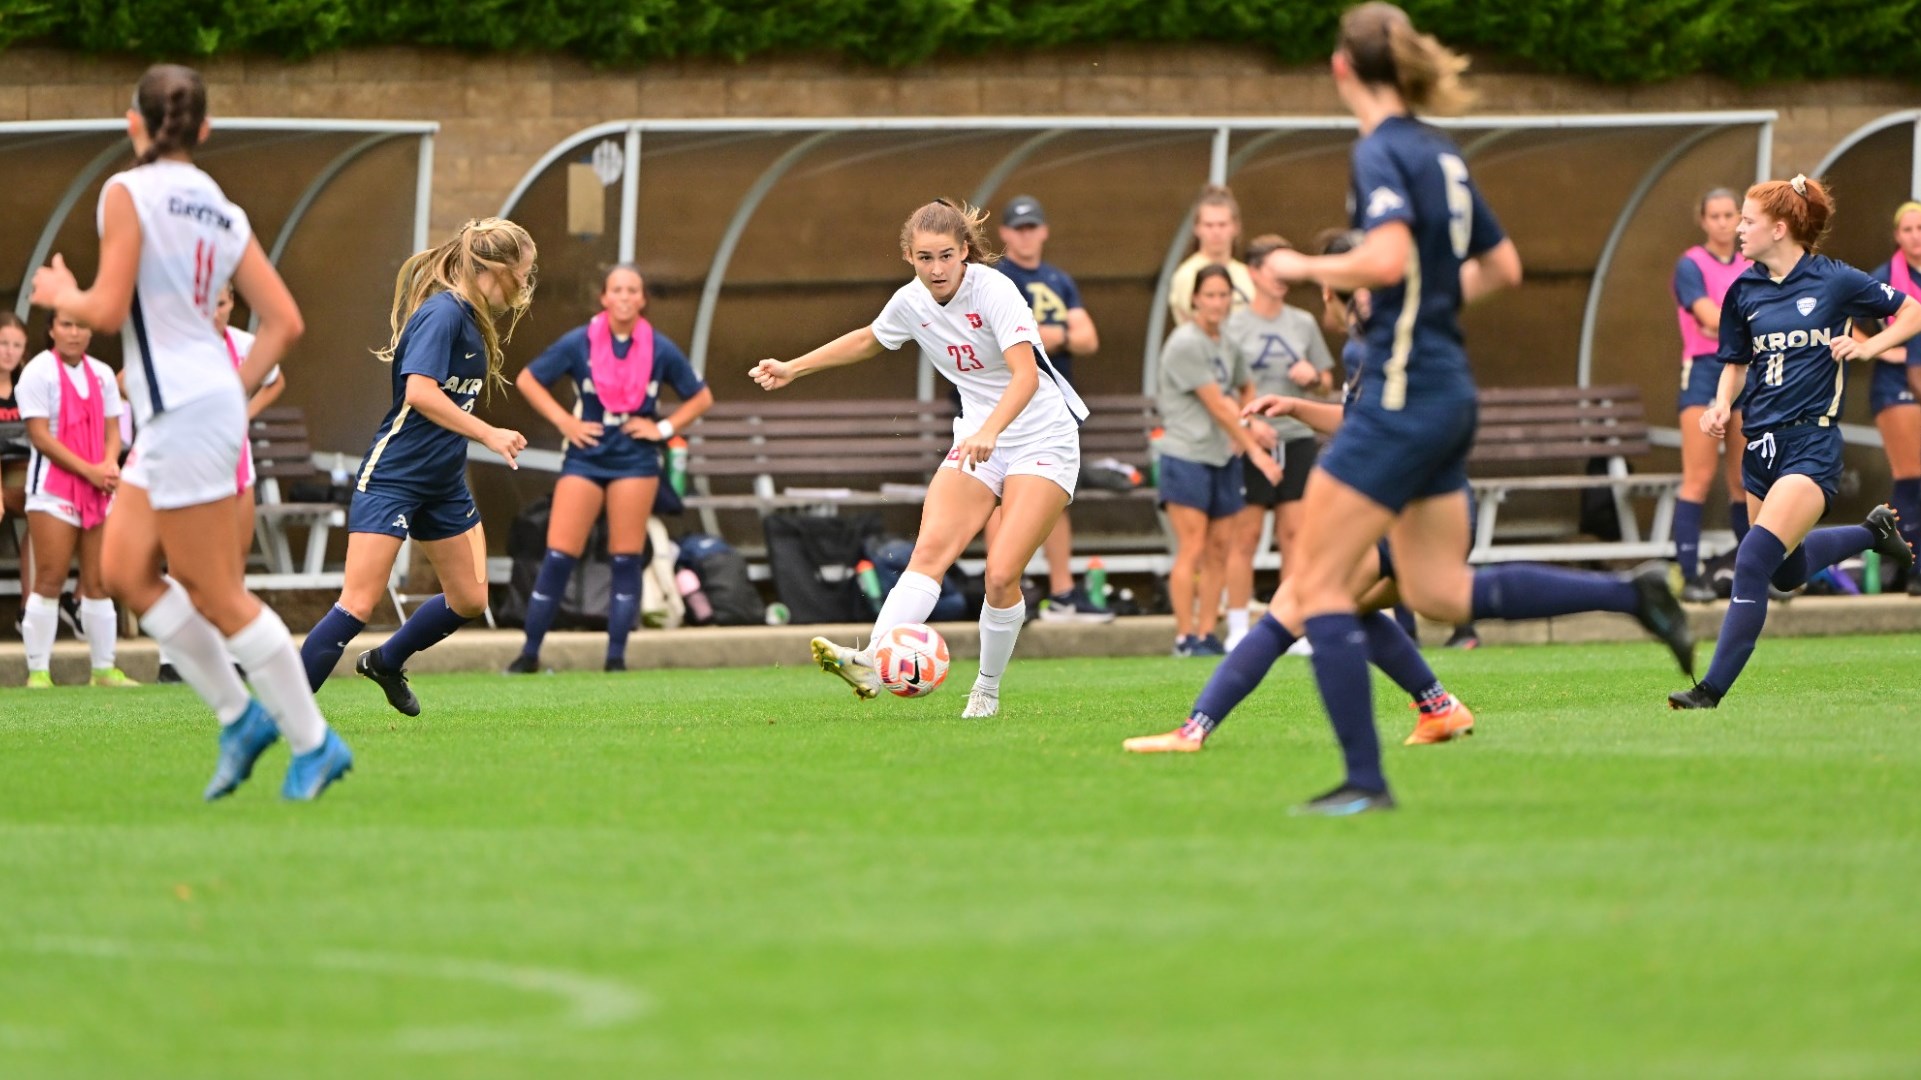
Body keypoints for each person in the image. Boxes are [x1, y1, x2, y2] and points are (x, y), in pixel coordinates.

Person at [1260, 4, 1695, 815]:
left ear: (1342, 69)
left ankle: (1363, 782)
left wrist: (1297, 260)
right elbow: (1501, 266)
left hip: (1397, 395)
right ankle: (1631, 594)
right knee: (1439, 592)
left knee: (1315, 582)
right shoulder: (1440, 152)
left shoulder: (1381, 147)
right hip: (1446, 389)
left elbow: (1387, 256)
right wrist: (1420, 305)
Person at [29, 63, 349, 799]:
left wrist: (57, 293)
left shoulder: (125, 191)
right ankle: (240, 719)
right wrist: (230, 396)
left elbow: (104, 310)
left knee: (213, 589)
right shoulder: (221, 207)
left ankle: (313, 740)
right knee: (127, 569)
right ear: (204, 130)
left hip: (182, 408)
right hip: (194, 405)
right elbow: (286, 323)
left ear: (133, 124)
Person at [751, 198, 1088, 719]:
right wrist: (795, 367)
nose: (936, 269)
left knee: (1000, 575)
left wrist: (992, 431)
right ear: (909, 256)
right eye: (925, 257)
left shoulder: (995, 290)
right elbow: (869, 339)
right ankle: (868, 660)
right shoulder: (910, 301)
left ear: (965, 254)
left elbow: (1026, 376)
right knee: (929, 550)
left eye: (946, 256)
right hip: (979, 438)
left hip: (1041, 437)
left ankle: (987, 690)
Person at [1669, 177, 1920, 709]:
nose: (1738, 228)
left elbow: (1914, 310)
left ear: (1779, 229)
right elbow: (1734, 362)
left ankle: (1710, 689)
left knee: (1754, 557)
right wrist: (1719, 404)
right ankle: (1873, 533)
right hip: (1760, 446)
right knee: (1785, 571)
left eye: (1747, 220)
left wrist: (1869, 345)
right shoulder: (1743, 290)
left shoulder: (1834, 281)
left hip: (1812, 444)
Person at [298, 218, 535, 714]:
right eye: (525, 273)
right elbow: (420, 392)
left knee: (470, 600)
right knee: (358, 603)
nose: (527, 286)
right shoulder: (443, 314)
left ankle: (386, 662)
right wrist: (489, 433)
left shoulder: (474, 318)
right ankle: (280, 713)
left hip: (444, 484)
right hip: (394, 477)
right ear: (499, 270)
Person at [507, 263, 712, 674]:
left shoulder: (659, 347)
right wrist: (565, 422)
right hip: (586, 455)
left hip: (635, 458)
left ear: (642, 299)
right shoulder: (579, 341)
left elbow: (701, 397)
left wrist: (662, 428)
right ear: (604, 297)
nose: (623, 296)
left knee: (625, 558)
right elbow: (528, 379)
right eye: (616, 289)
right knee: (559, 554)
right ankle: (528, 655)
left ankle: (615, 659)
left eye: (632, 289)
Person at [154, 282, 287, 684]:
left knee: (232, 565)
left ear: (232, 304)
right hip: (187, 466)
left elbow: (275, 379)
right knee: (182, 564)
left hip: (234, 466)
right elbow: (127, 380)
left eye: (223, 304)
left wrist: (244, 413)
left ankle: (228, 654)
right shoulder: (176, 346)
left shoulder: (245, 345)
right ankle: (171, 659)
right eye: (205, 304)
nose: (214, 312)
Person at [992, 195, 1109, 622]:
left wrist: (1045, 334)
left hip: (1052, 404)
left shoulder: (1059, 279)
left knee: (1053, 494)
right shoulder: (997, 278)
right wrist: (1053, 335)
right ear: (1004, 234)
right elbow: (1002, 339)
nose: (1026, 235)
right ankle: (1003, 589)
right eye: (1018, 228)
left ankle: (1062, 591)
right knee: (1000, 494)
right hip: (1004, 401)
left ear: (1043, 231)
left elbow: (1089, 338)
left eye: (1032, 227)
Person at [1157, 263, 1282, 656]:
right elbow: (1217, 406)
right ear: (1195, 299)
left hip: (1221, 455)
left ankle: (1207, 633)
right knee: (1192, 547)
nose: (1217, 302)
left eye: (1223, 295)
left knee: (1220, 549)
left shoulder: (1227, 342)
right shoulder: (1185, 342)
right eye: (1209, 295)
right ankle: (1184, 635)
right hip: (1186, 455)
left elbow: (1245, 386)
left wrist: (1250, 411)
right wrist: (1257, 449)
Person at [1222, 233, 1335, 650]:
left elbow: (1327, 384)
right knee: (1246, 536)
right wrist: (1247, 425)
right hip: (1252, 440)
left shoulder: (1302, 322)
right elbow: (1221, 385)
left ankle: (1292, 624)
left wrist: (1315, 379)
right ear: (1253, 272)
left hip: (1298, 437)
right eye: (1275, 268)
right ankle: (1236, 627)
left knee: (1295, 534)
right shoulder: (1233, 324)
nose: (1284, 277)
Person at [15, 314, 135, 687]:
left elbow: (113, 431)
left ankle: (104, 669)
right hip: (51, 489)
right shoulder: (37, 372)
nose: (75, 332)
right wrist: (91, 470)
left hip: (97, 486)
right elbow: (40, 436)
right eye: (66, 325)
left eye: (82, 325)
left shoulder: (101, 373)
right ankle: (38, 671)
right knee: (49, 579)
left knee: (99, 582)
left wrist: (110, 463)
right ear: (51, 329)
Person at [1671, 188, 1755, 602]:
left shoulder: (1750, 262)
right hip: (1705, 372)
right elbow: (1708, 317)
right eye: (1715, 216)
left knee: (1743, 479)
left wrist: (1733, 325)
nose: (1723, 223)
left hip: (1743, 368)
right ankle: (1689, 575)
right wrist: (1737, 323)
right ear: (1703, 220)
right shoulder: (1691, 264)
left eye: (1729, 215)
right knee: (1698, 478)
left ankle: (1753, 570)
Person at [1862, 201, 1921, 593]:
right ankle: (1911, 568)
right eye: (1909, 230)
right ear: (1897, 236)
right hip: (1895, 383)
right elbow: (1840, 324)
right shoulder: (1883, 277)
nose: (1916, 237)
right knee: (1912, 475)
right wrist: (1885, 348)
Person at [1167, 185, 1256, 326]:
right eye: (1209, 225)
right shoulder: (1187, 274)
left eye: (1222, 225)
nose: (1216, 232)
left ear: (1235, 227)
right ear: (1196, 228)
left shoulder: (1248, 274)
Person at [0, 313, 28, 598]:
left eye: (16, 345)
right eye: (3, 343)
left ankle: (29, 607)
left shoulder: (27, 389)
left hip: (25, 478)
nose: (9, 351)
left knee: (46, 511)